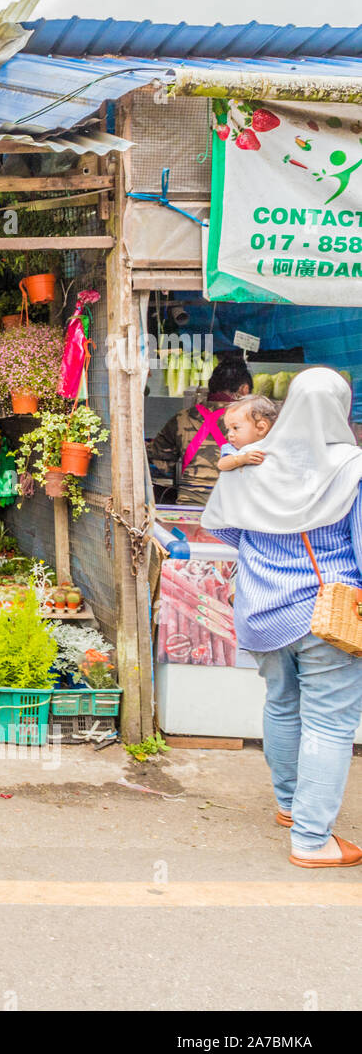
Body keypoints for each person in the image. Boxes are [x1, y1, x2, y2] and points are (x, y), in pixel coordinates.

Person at [202, 368, 362, 868]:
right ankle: (313, 840)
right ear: (342, 407)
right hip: (327, 611)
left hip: (262, 608)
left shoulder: (251, 463)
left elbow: (227, 533)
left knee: (282, 703)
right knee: (330, 724)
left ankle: (290, 807)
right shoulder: (351, 467)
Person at [148, 352, 252, 505]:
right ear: (244, 389)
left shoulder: (183, 417)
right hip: (234, 506)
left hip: (190, 505)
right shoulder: (250, 420)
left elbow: (160, 462)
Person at [217, 395, 279, 473]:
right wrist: (242, 459)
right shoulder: (232, 448)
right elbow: (221, 464)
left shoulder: (273, 445)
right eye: (228, 429)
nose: (230, 434)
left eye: (235, 428)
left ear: (261, 428)